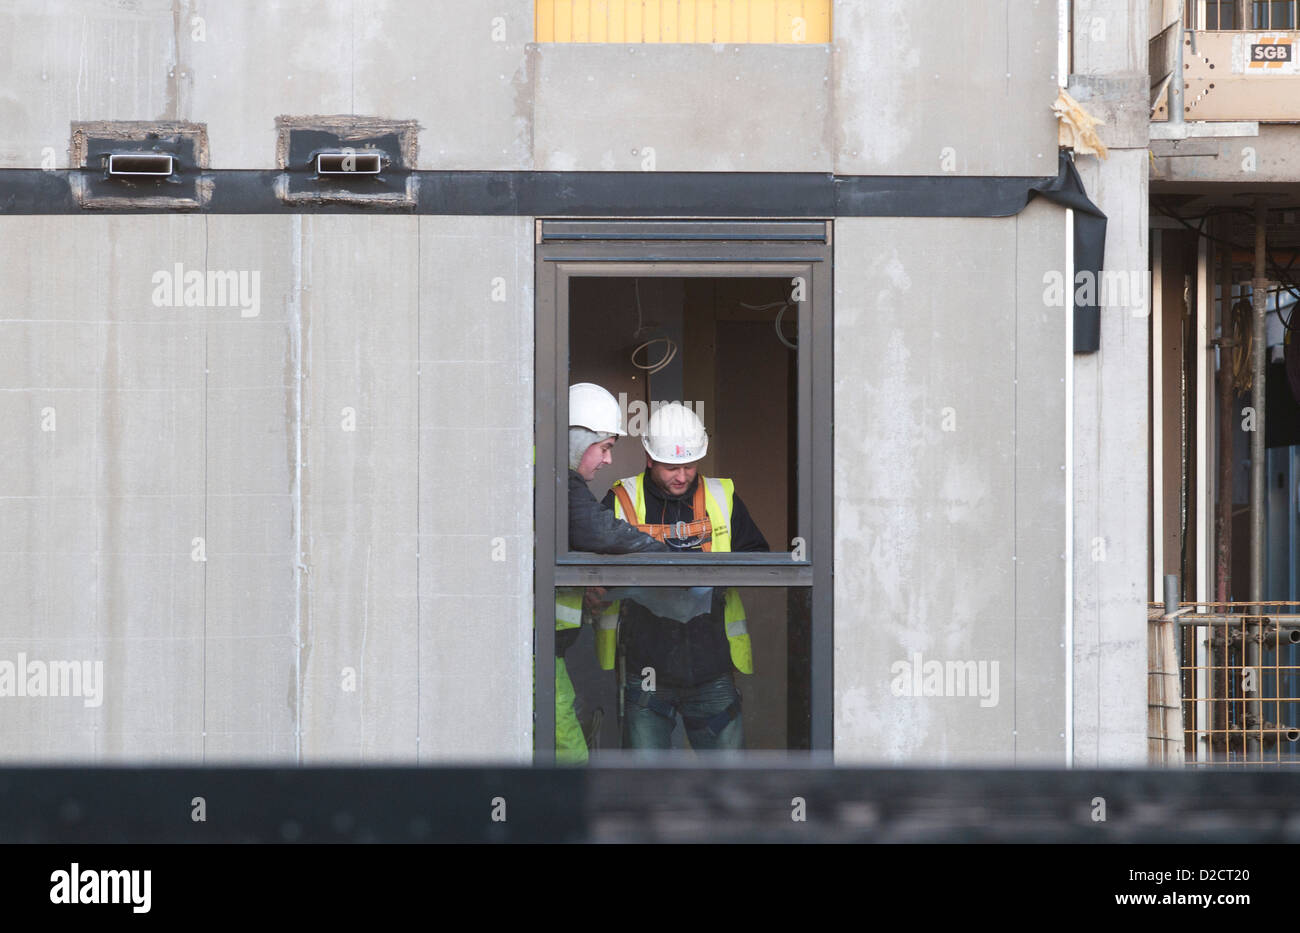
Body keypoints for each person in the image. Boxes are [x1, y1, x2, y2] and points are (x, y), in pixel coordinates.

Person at [597, 402, 768, 752]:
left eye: (689, 466)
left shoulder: (723, 497)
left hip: (711, 666)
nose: (682, 476)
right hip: (646, 668)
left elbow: (760, 559)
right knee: (648, 788)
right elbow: (593, 572)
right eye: (671, 467)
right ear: (649, 458)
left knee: (727, 786)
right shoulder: (620, 500)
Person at [555, 383, 668, 764]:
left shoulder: (548, 478)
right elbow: (598, 530)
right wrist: (663, 554)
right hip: (537, 649)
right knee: (569, 754)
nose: (607, 461)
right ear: (575, 441)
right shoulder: (557, 481)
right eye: (604, 448)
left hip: (543, 648)